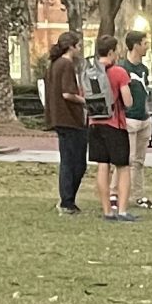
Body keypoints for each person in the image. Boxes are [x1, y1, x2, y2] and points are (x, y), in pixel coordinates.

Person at [89, 34, 135, 221]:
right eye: (115, 51)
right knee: (123, 167)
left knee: (102, 166)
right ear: (110, 52)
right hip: (115, 124)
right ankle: (122, 210)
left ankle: (107, 211)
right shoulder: (118, 72)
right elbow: (128, 101)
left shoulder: (90, 72)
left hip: (95, 123)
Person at [44, 30, 88, 215]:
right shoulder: (66, 64)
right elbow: (67, 94)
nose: (79, 49)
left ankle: (67, 200)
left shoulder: (54, 65)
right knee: (75, 162)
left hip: (59, 118)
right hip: (70, 119)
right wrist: (85, 101)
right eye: (78, 46)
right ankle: (66, 201)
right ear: (71, 47)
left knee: (69, 160)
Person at [122, 28, 152, 210]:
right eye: (144, 43)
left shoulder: (144, 69)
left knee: (139, 161)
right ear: (135, 45)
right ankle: (118, 194)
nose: (147, 47)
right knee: (127, 160)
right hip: (130, 118)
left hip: (143, 119)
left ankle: (138, 195)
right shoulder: (123, 68)